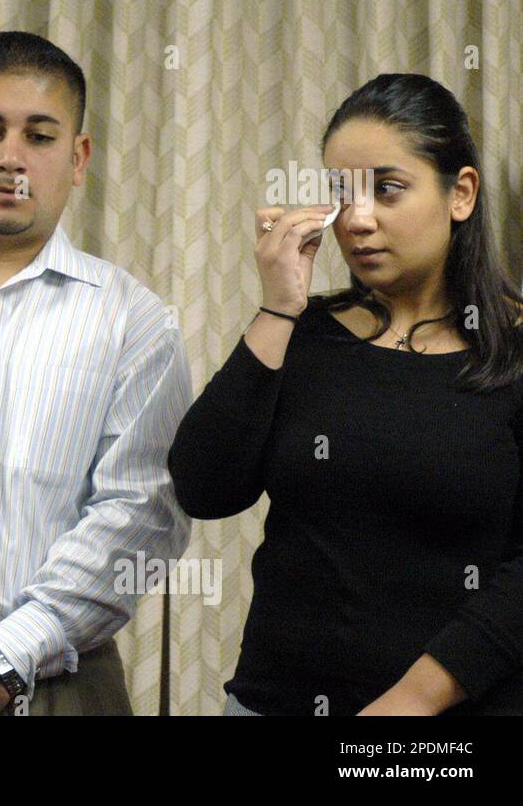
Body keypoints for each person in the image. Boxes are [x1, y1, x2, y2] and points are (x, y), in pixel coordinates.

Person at [167, 73, 523, 715]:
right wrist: (278, 307)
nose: (357, 220)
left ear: (460, 193)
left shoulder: (514, 353)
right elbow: (203, 487)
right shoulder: (308, 336)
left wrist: (413, 700)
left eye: (387, 189)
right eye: (341, 193)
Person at [0, 31, 193, 716]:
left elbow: (142, 513)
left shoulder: (133, 320)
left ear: (78, 156)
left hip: (64, 681)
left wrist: (5, 657)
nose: (11, 157)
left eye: (39, 135)